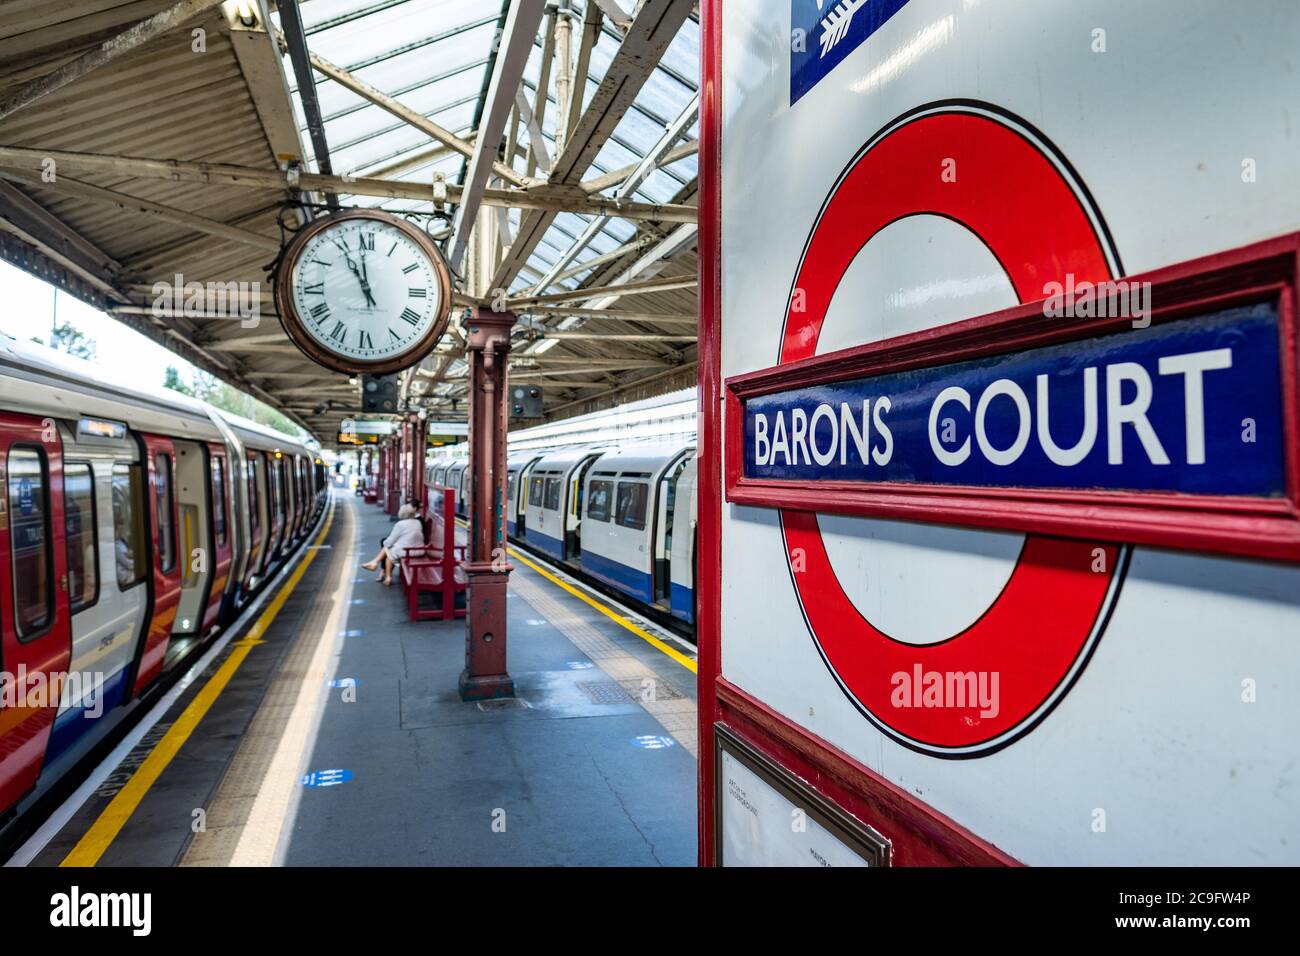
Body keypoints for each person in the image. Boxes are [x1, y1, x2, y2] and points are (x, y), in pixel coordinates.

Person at [362, 503, 423, 586]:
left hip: (408, 552)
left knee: (388, 549)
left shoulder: (400, 524)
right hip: (420, 550)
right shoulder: (417, 522)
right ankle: (376, 565)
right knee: (390, 552)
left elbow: (389, 541)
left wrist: (385, 544)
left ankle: (380, 568)